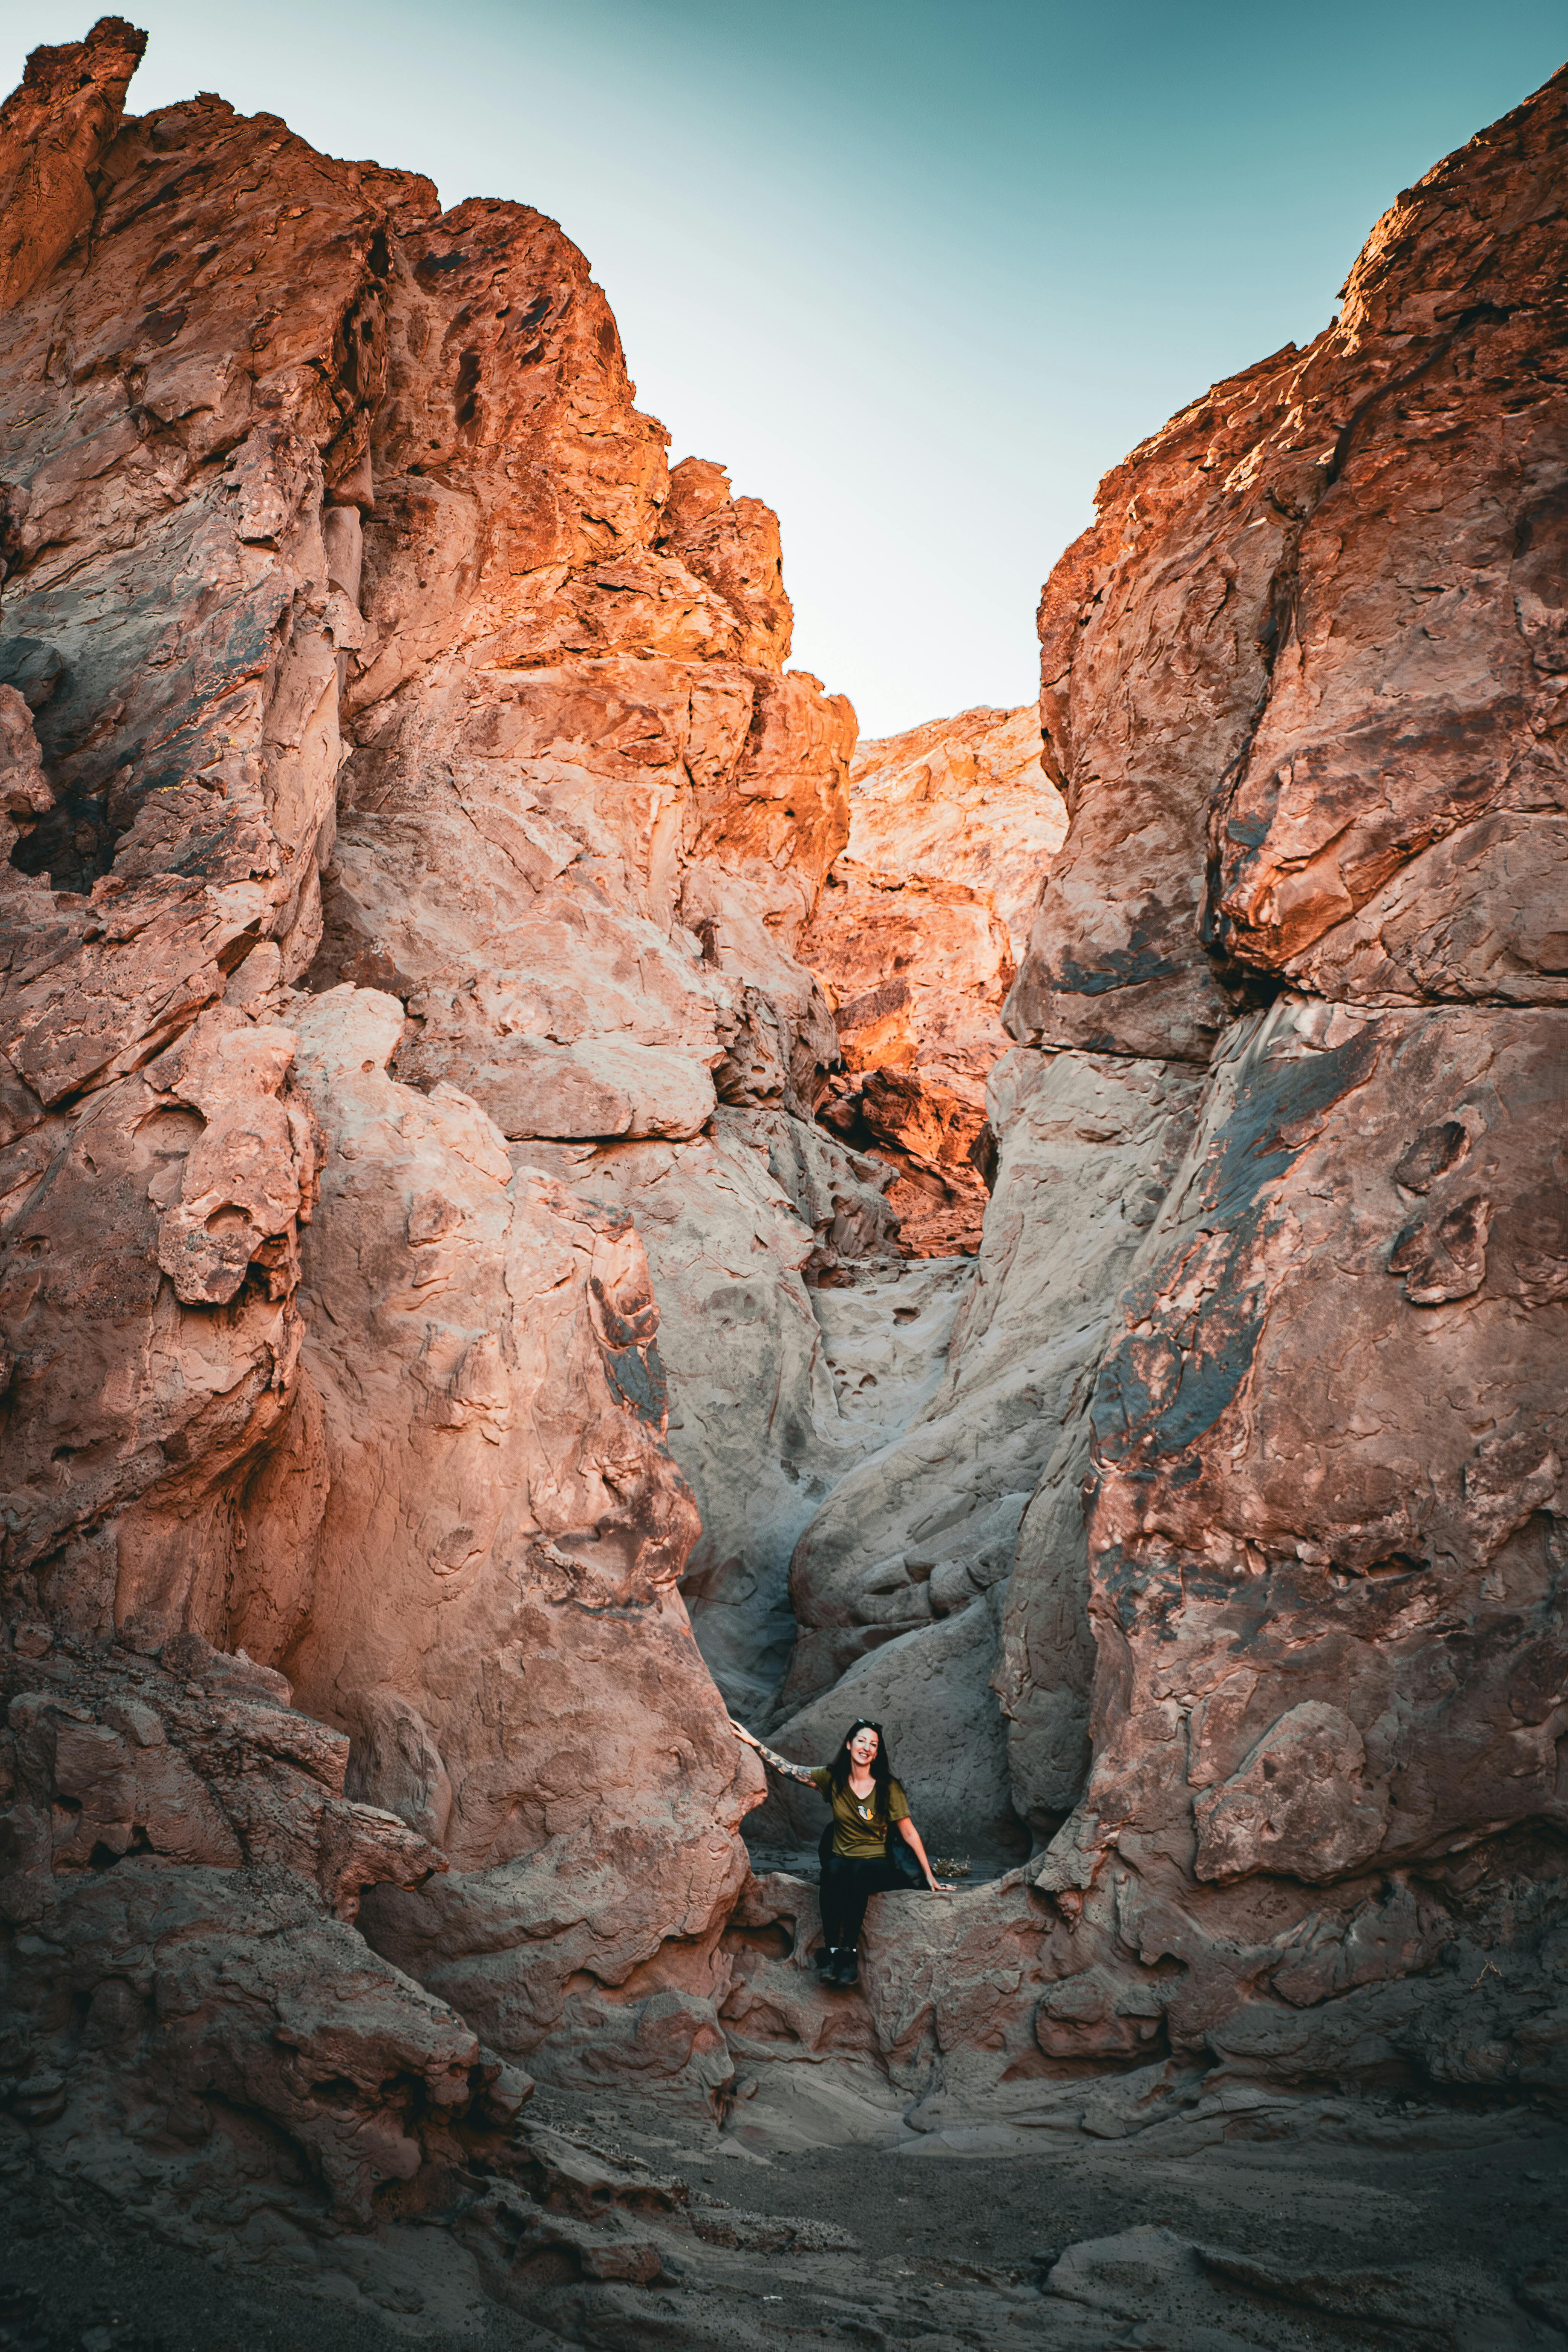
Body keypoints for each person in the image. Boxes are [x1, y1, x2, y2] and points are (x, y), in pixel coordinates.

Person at [730, 1715, 951, 1986]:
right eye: (862, 1741)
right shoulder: (832, 1779)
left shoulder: (887, 1787)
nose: (867, 1747)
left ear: (877, 1753)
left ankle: (849, 1954)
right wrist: (754, 1743)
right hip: (843, 1860)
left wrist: (930, 1876)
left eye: (874, 1744)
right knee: (834, 1870)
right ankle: (833, 1951)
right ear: (849, 1745)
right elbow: (789, 1769)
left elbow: (908, 1832)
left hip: (877, 1862)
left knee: (857, 1872)